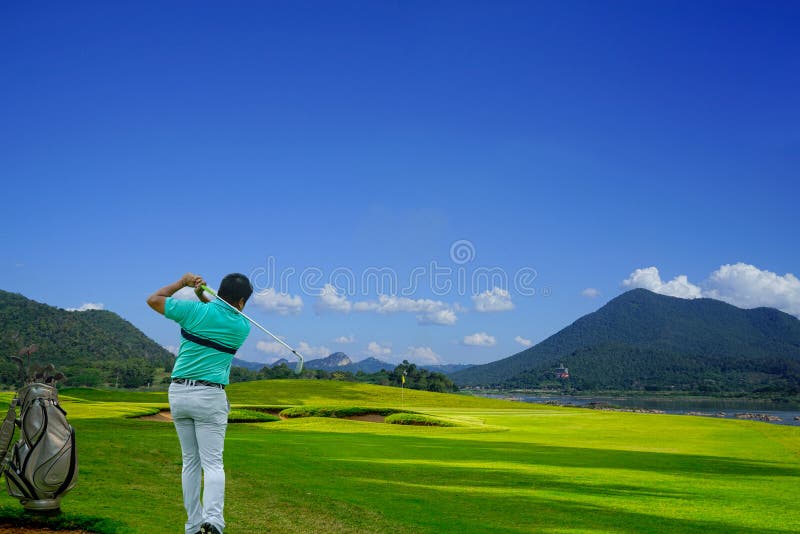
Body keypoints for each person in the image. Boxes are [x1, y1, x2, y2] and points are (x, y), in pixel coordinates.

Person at [147, 272, 252, 534]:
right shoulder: (243, 327)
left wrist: (183, 284)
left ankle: (192, 526)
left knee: (190, 462)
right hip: (210, 396)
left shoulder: (193, 312)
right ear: (240, 302)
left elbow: (154, 299)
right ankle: (213, 521)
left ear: (218, 291)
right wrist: (202, 296)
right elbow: (218, 314)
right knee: (213, 463)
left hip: (179, 393)